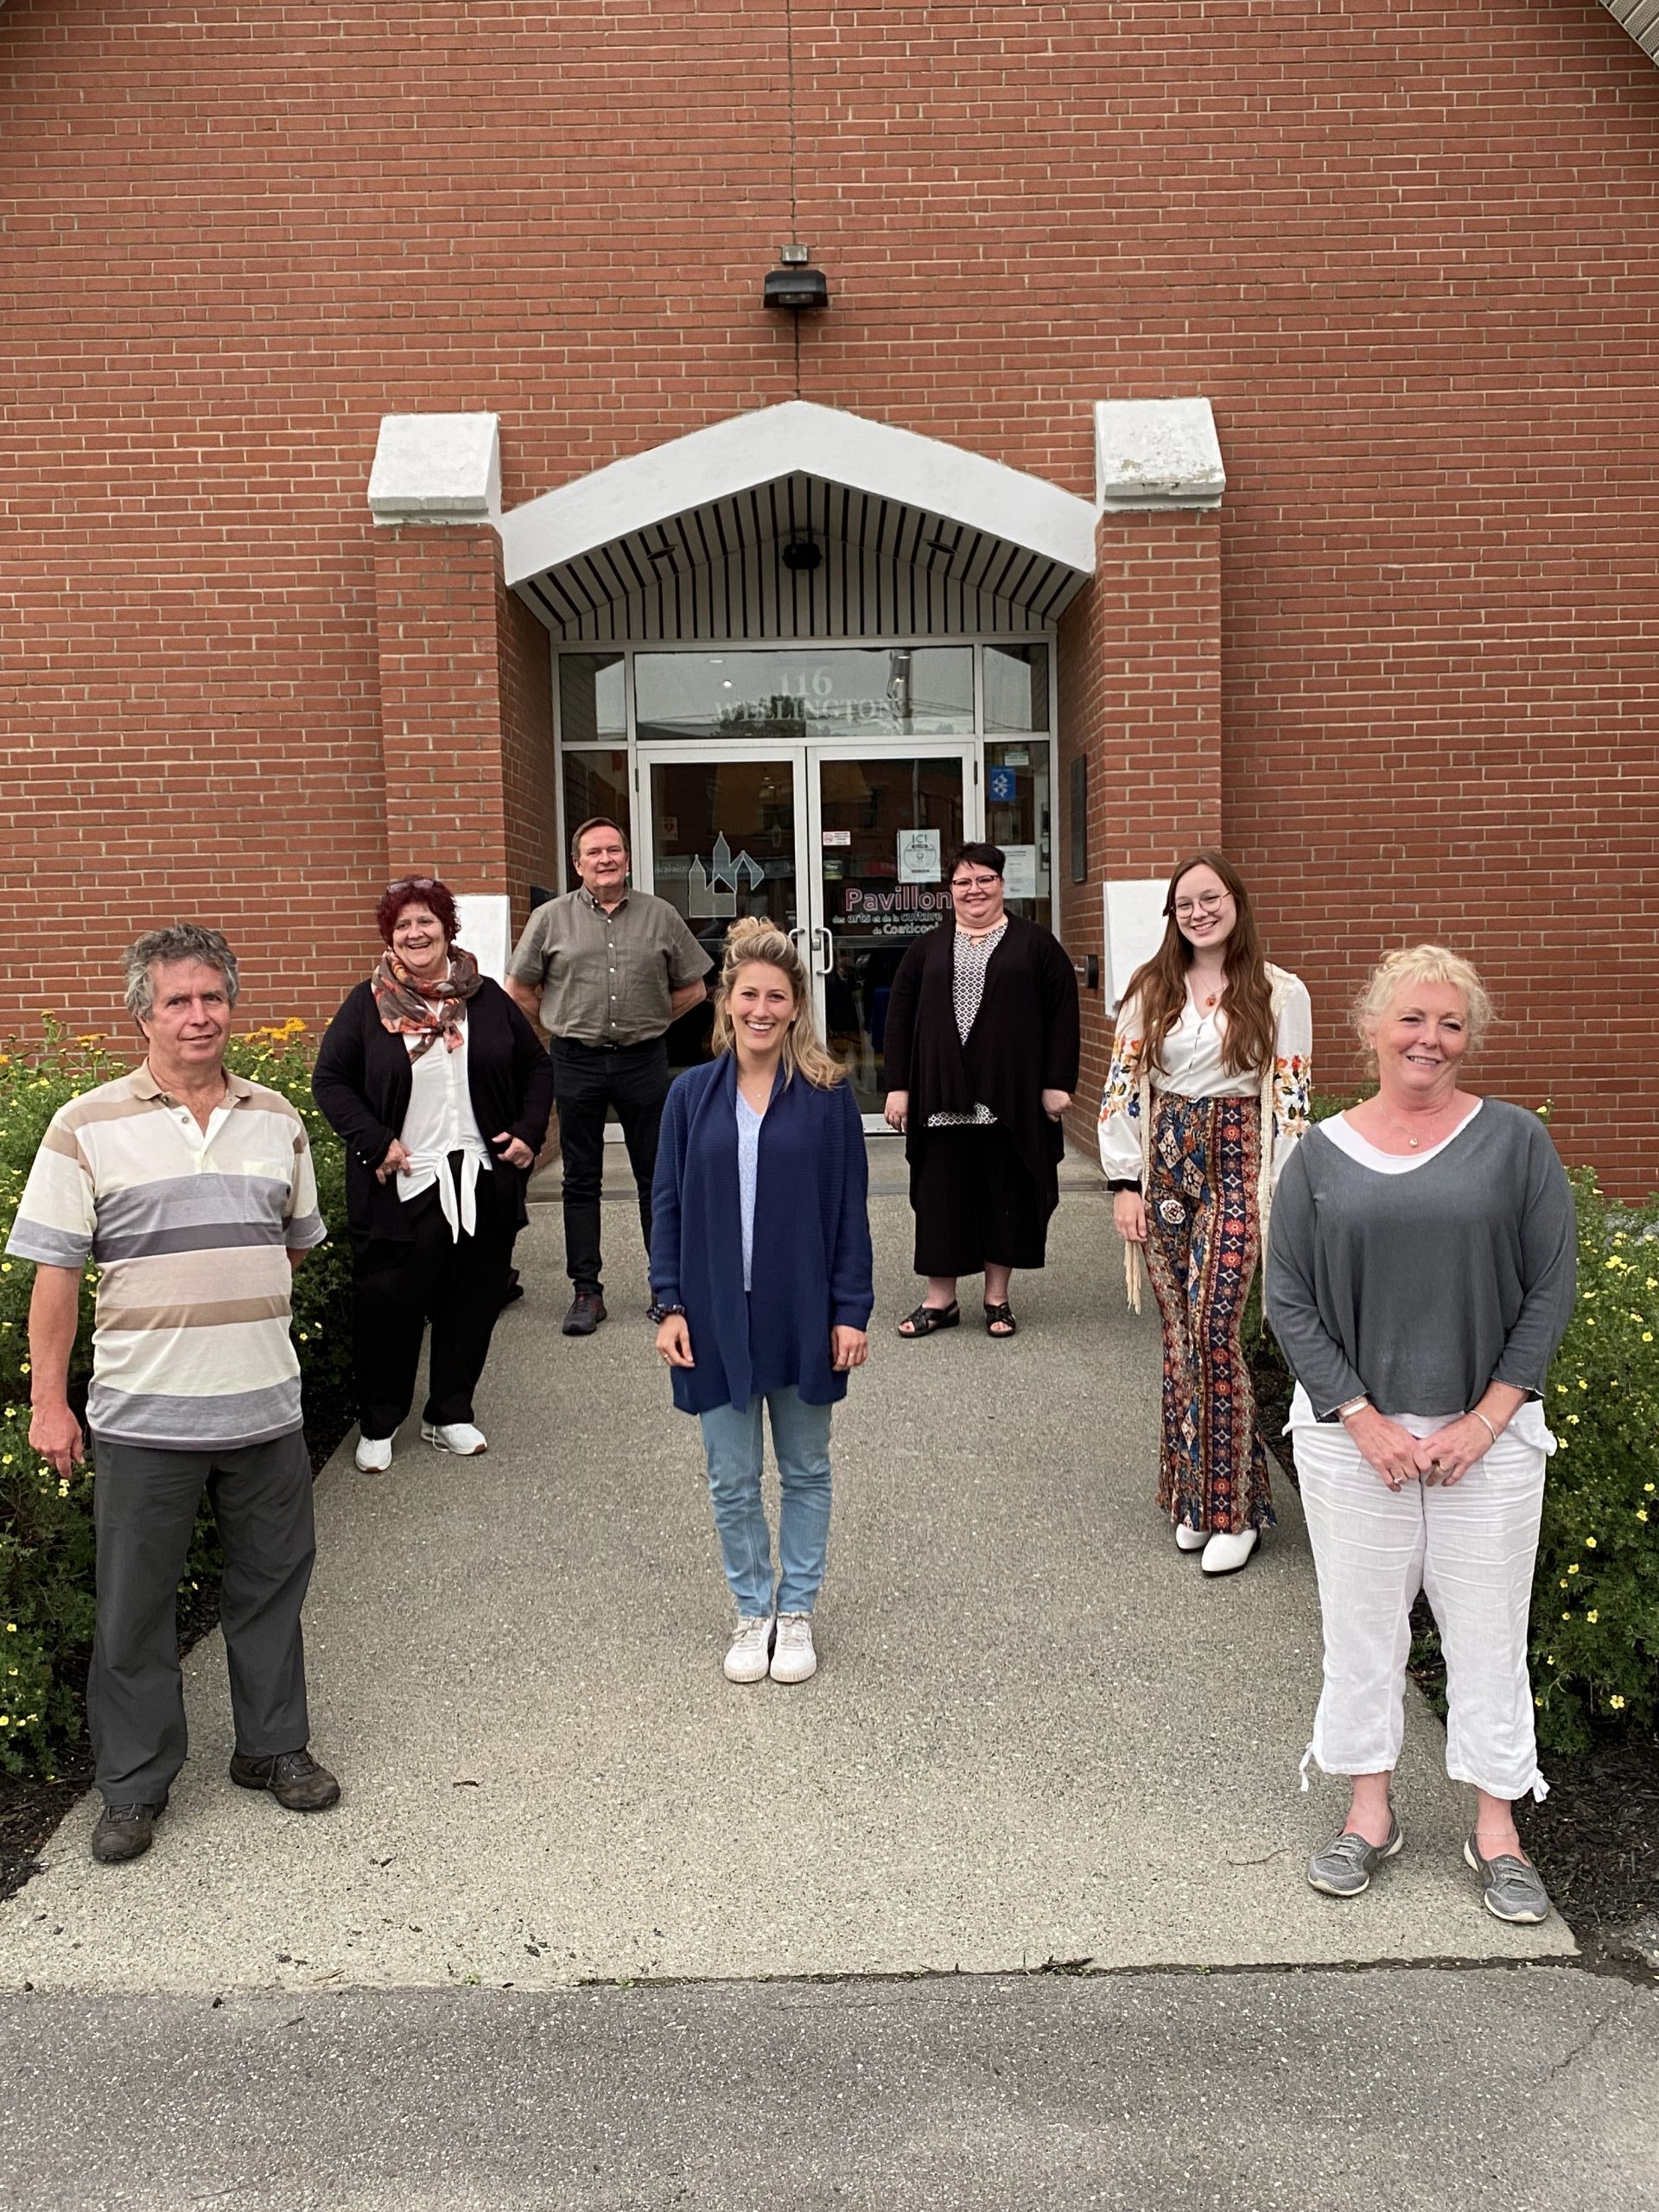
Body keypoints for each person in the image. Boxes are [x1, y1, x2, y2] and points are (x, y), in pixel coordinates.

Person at [5, 925, 338, 1865]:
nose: (199, 1015)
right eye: (178, 1000)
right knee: (134, 1609)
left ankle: (273, 1749)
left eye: (213, 997)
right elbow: (57, 1279)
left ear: (232, 1005)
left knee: (270, 1590)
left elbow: (296, 1240)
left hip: (264, 1409)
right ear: (141, 1012)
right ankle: (135, 1785)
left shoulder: (277, 1116)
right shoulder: (86, 1124)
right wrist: (49, 1402)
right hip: (144, 1418)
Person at [1267, 945, 1576, 1923]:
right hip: (1356, 1443)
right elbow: (1291, 1299)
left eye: (1449, 1023)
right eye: (1411, 1019)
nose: (1429, 1039)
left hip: (1487, 1439)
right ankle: (1369, 1816)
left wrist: (1489, 1418)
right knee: (1361, 1634)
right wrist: (1360, 1417)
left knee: (1489, 1637)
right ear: (1370, 1031)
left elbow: (1549, 1287)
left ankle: (1497, 1829)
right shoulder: (1318, 1153)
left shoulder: (1517, 1143)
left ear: (1468, 1038)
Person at [651, 918, 873, 1687]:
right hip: (713, 1312)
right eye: (749, 994)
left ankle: (798, 1610)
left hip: (802, 1308)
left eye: (777, 996)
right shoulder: (687, 1096)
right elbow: (667, 1206)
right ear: (727, 1001)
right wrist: (668, 1303)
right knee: (730, 1475)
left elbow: (850, 1212)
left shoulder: (827, 1095)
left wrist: (852, 1309)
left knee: (806, 1468)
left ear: (795, 1006)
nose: (762, 1009)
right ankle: (752, 1610)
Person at [1099, 849, 1312, 1576]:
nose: (1199, 911)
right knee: (1179, 1337)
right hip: (1163, 1170)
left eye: (1210, 897)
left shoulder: (1281, 994)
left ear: (1236, 902)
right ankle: (1196, 1495)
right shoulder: (1151, 989)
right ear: (1173, 915)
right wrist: (1122, 1182)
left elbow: (1290, 1104)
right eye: (1185, 902)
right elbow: (1122, 1086)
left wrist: (1281, 1196)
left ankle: (1235, 1509)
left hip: (1234, 1169)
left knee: (1214, 1326)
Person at [312, 877, 553, 1469]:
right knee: (389, 1307)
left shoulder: (488, 999)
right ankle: (378, 1421)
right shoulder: (367, 1004)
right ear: (390, 938)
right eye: (403, 926)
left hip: (478, 1177)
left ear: (448, 928)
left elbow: (537, 1067)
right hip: (403, 1179)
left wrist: (526, 1132)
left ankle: (450, 1413)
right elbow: (331, 1082)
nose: (416, 933)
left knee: (470, 1302)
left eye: (427, 921)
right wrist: (376, 1143)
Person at [505, 817, 711, 1338]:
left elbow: (696, 987)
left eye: (614, 850)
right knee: (580, 1179)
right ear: (578, 864)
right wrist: (555, 1029)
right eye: (594, 852)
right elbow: (519, 988)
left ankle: (667, 1287)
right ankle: (586, 1291)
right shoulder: (550, 918)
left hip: (644, 1060)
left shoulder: (660, 916)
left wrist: (654, 1019)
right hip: (575, 1060)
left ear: (626, 858)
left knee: (657, 1177)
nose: (605, 859)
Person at [882, 843, 1080, 1339]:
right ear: (949, 890)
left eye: (984, 879)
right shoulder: (925, 950)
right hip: (940, 1098)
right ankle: (940, 1300)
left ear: (1001, 883)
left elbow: (1063, 1014)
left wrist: (1058, 1083)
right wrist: (898, 1088)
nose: (975, 890)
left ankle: (997, 1299)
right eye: (963, 882)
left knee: (1003, 1194)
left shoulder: (1036, 945)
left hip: (1008, 1100)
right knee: (940, 1196)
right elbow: (899, 1020)